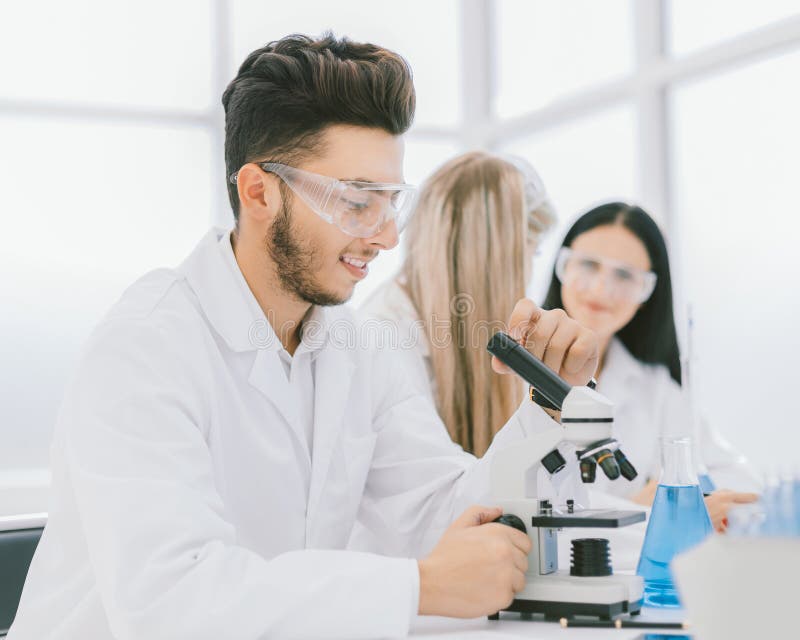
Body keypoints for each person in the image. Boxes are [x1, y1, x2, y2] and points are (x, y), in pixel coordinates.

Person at [8, 34, 601, 639]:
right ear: (259, 192)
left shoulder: (356, 350)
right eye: (356, 201)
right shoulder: (145, 347)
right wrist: (419, 586)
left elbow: (443, 513)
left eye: (391, 202)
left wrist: (549, 404)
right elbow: (171, 602)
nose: (387, 236)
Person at [541, 202, 760, 527]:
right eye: (588, 264)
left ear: (648, 293)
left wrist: (673, 496)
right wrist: (642, 509)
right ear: (563, 266)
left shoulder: (654, 387)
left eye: (625, 275)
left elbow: (742, 484)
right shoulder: (514, 368)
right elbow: (527, 503)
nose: (602, 288)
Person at [360, 151, 556, 457]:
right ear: (501, 259)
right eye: (533, 252)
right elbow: (444, 491)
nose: (529, 272)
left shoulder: (454, 330)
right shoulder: (385, 341)